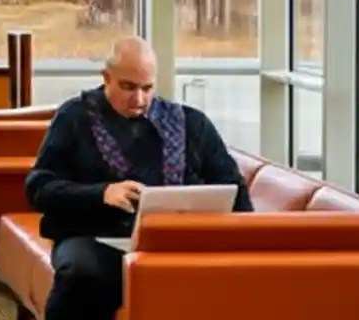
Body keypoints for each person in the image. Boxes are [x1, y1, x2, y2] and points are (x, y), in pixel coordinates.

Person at [25, 36, 252, 320]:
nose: (139, 100)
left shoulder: (193, 124)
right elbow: (38, 186)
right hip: (94, 239)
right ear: (106, 78)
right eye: (128, 87)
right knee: (82, 273)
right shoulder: (74, 117)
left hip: (173, 247)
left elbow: (237, 194)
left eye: (147, 88)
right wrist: (101, 193)